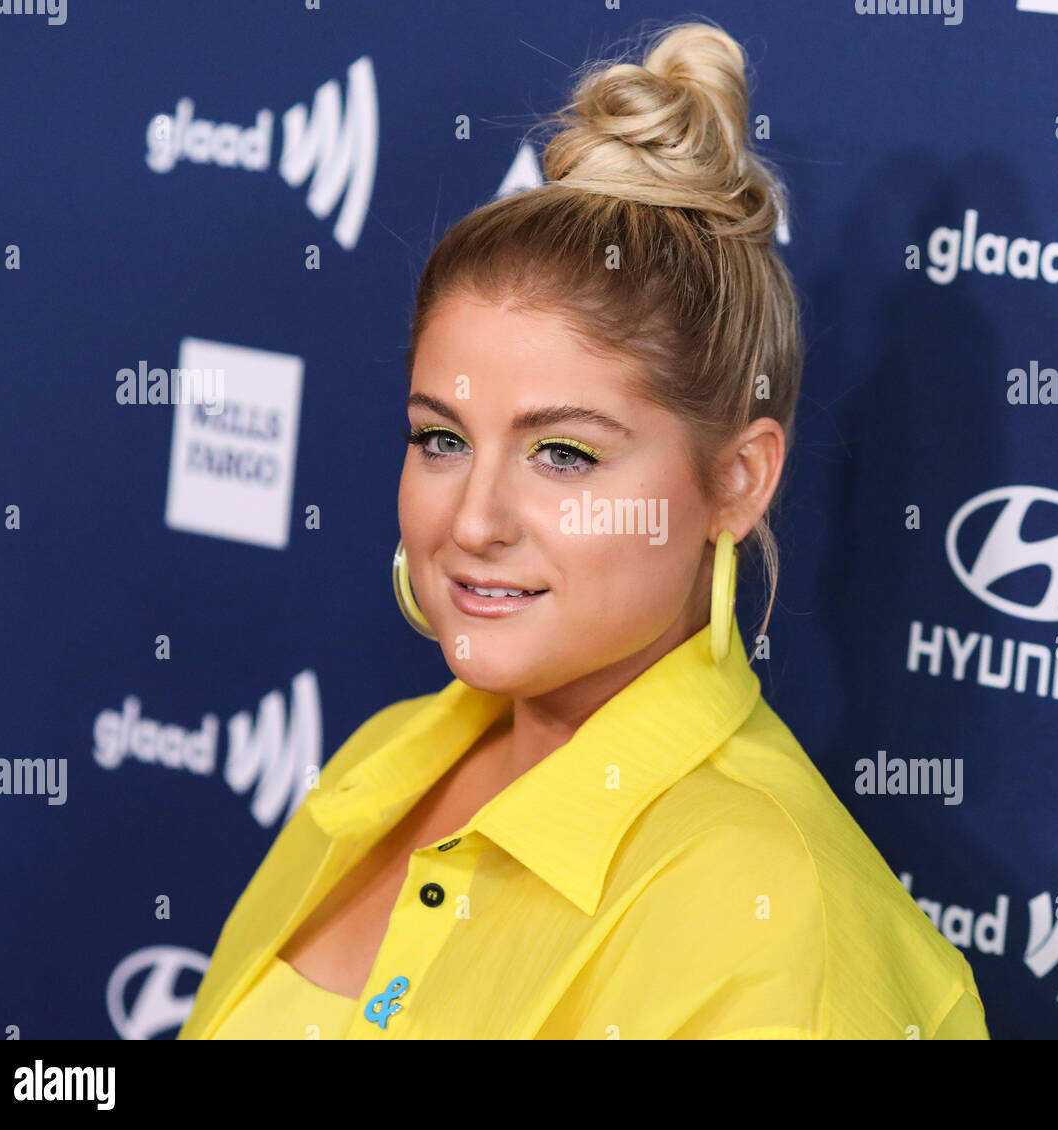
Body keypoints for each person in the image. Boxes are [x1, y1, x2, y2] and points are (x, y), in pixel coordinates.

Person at [178, 18, 989, 1040]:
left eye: (562, 454)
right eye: (440, 439)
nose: (474, 521)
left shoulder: (781, 923)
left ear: (737, 481)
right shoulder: (377, 766)